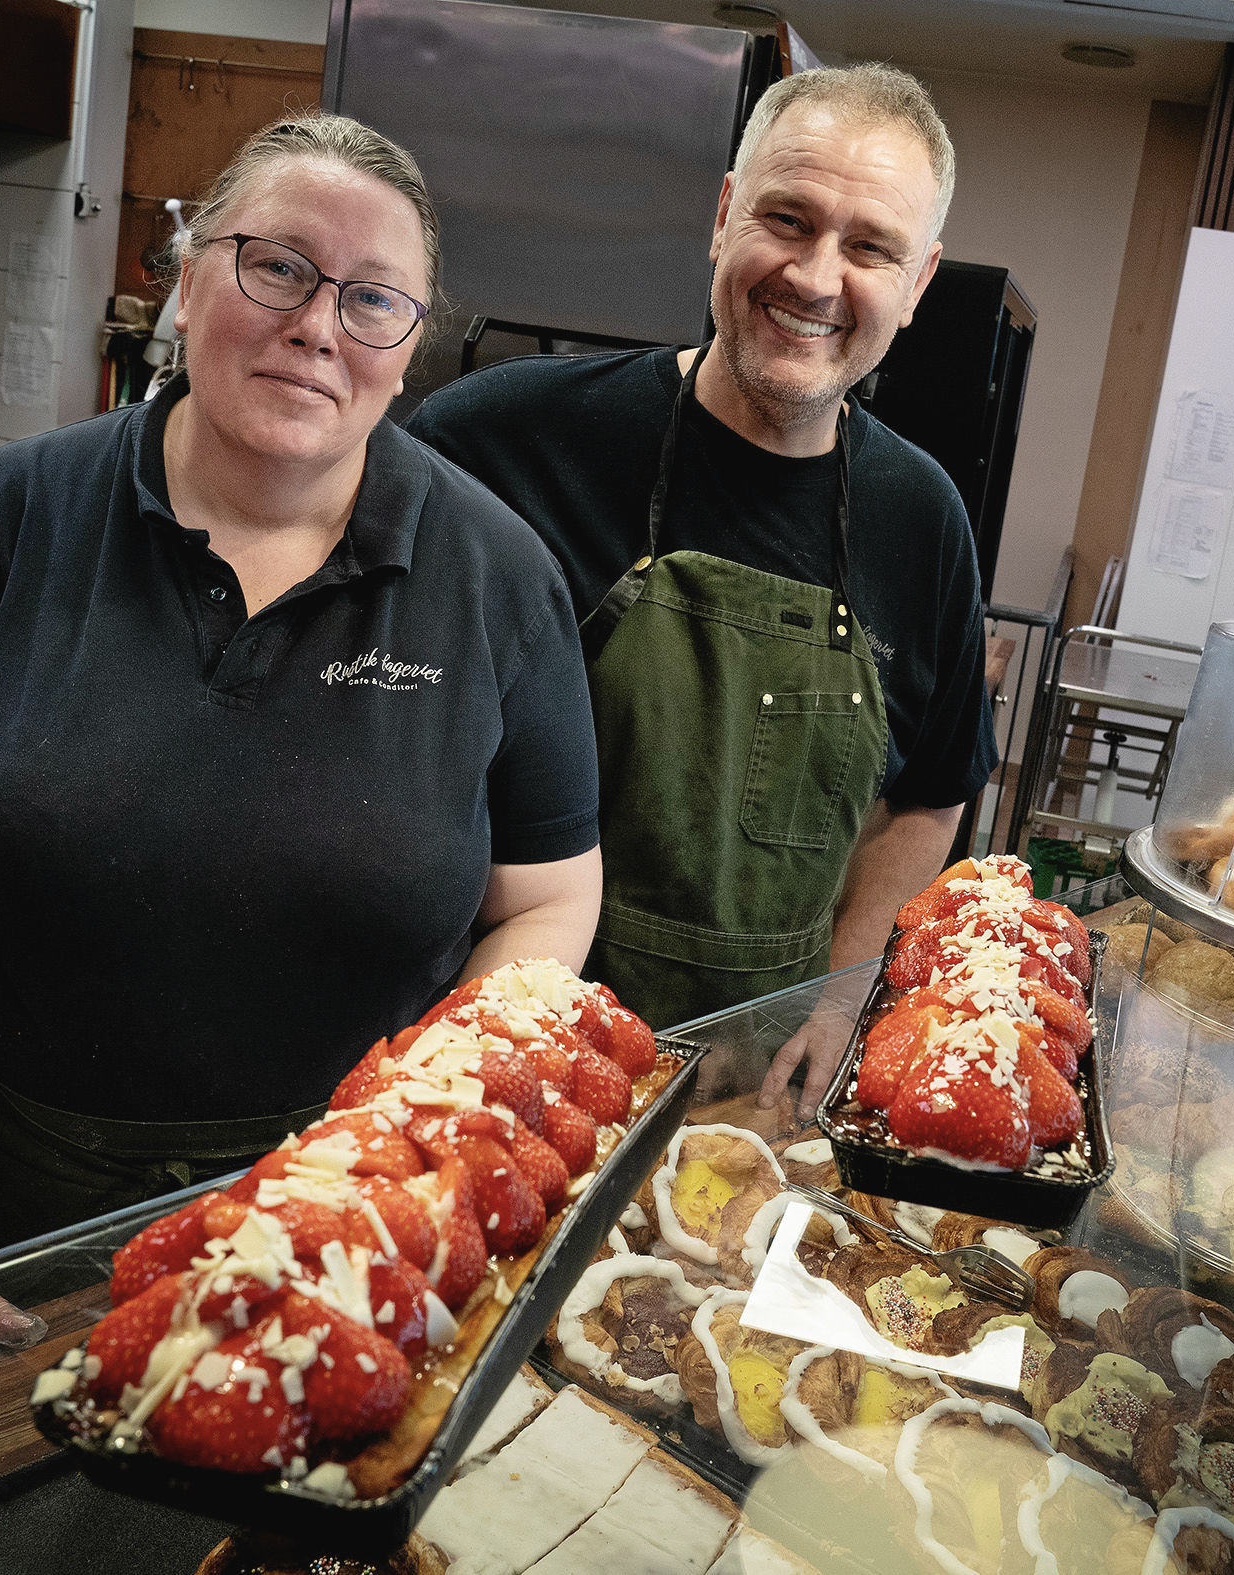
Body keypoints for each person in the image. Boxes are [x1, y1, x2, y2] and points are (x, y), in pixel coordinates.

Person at [0, 115, 602, 1461]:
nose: (318, 325)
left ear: (411, 341)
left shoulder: (498, 575)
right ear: (187, 279)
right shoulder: (11, 518)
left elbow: (547, 899)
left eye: (371, 297)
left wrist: (400, 1153)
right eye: (275, 267)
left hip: (343, 1231)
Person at [407, 64, 995, 1104]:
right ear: (724, 217)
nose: (816, 278)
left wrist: (837, 1001)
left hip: (747, 1098)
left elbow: (929, 797)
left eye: (869, 247)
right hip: (494, 1071)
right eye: (788, 218)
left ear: (918, 284)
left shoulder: (923, 518)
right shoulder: (499, 442)